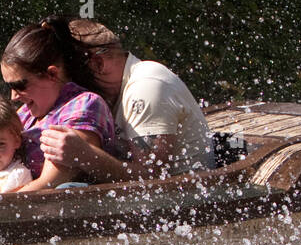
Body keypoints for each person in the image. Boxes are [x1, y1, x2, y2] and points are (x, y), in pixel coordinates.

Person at [36, 15, 215, 181]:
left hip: (186, 205)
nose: (69, 92)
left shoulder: (146, 87)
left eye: (71, 80)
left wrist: (85, 156)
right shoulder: (115, 91)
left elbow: (152, 178)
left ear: (98, 64)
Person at [0, 22, 117, 192]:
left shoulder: (84, 105)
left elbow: (44, 185)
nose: (14, 96)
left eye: (20, 85)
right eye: (10, 86)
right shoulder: (25, 114)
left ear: (52, 74)